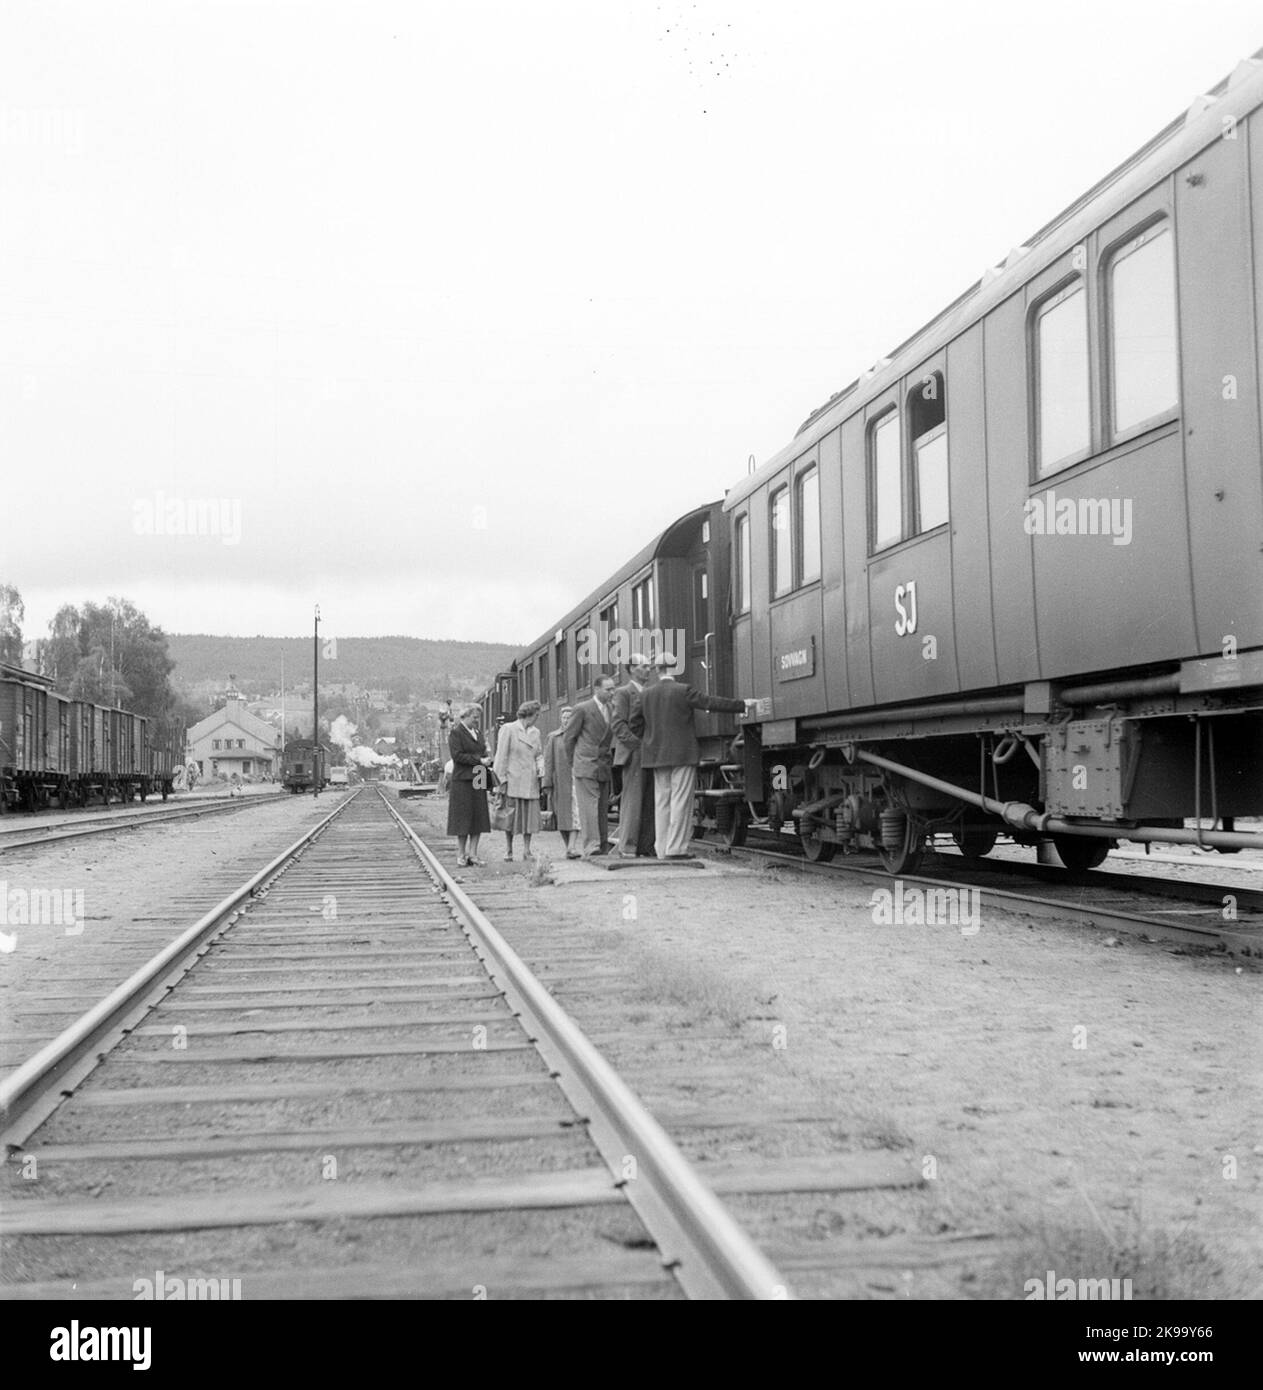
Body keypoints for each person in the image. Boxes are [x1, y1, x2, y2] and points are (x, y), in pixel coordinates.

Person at [639, 651, 749, 860]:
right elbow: (710, 703)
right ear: (674, 667)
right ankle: (676, 849)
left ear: (657, 670)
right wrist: (743, 704)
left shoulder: (646, 694)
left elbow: (635, 723)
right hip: (682, 754)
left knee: (662, 802)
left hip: (656, 756)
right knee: (680, 801)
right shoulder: (683, 690)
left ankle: (661, 850)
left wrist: (649, 741)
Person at [563, 674, 616, 858]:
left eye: (613, 689)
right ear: (597, 689)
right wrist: (575, 762)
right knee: (589, 807)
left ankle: (601, 844)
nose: (612, 692)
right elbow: (569, 738)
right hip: (586, 764)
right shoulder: (582, 709)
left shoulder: (611, 709)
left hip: (603, 764)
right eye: (608, 689)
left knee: (602, 807)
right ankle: (592, 846)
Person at [611, 653, 652, 857]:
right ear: (632, 669)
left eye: (649, 666)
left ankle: (645, 845)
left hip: (651, 752)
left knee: (650, 800)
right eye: (644, 666)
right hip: (635, 752)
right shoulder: (623, 693)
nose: (648, 669)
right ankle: (627, 846)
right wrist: (637, 745)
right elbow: (618, 724)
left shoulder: (649, 692)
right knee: (633, 799)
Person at [493, 699, 544, 861]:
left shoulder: (536, 733)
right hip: (512, 780)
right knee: (510, 817)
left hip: (530, 780)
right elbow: (501, 756)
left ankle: (527, 850)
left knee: (529, 817)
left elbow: (539, 754)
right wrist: (500, 781)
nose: (537, 717)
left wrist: (541, 768)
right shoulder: (509, 729)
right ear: (529, 714)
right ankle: (508, 850)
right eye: (536, 714)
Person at [446, 704, 492, 867]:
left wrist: (486, 757)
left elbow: (482, 751)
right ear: (465, 716)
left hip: (479, 777)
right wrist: (479, 760)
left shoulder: (478, 733)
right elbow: (457, 756)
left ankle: (473, 854)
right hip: (463, 779)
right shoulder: (456, 733)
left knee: (478, 816)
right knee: (463, 817)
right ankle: (461, 854)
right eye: (475, 717)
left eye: (478, 717)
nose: (477, 720)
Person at [542, 705, 579, 856]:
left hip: (576, 781)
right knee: (561, 817)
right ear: (560, 719)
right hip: (560, 782)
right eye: (564, 717)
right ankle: (568, 847)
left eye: (569, 717)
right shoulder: (554, 737)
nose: (566, 720)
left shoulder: (579, 736)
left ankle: (572, 846)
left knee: (576, 815)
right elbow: (548, 761)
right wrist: (547, 783)